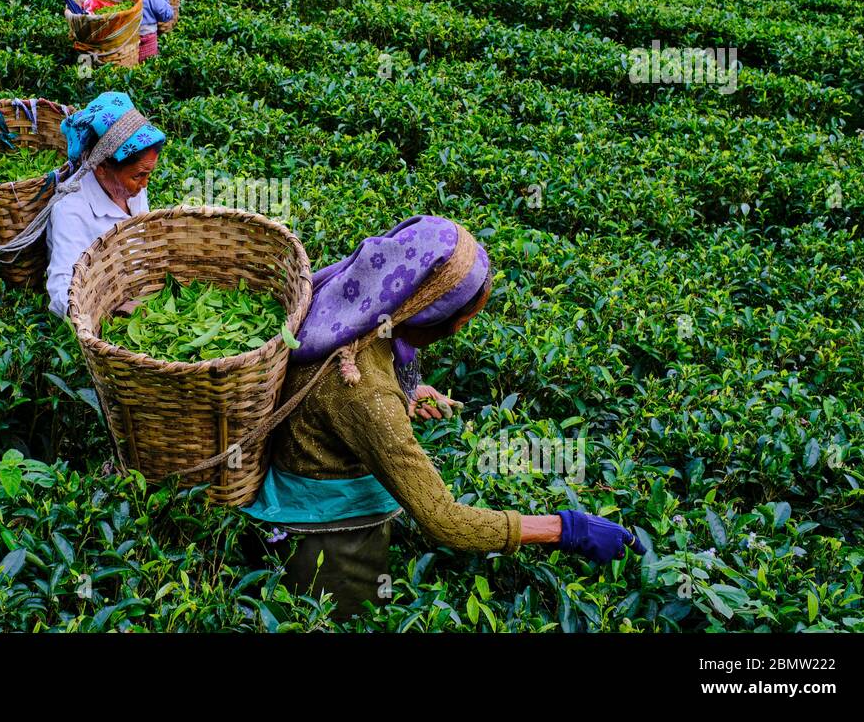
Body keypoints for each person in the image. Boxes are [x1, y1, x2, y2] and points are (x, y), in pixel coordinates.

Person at [241, 216, 644, 621]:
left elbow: (343, 404)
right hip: (325, 545)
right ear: (424, 310)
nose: (457, 333)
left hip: (303, 495)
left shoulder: (344, 306)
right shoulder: (364, 392)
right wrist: (567, 529)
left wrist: (407, 394)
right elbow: (443, 520)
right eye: (458, 324)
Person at [46, 92, 165, 318]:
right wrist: (101, 317)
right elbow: (62, 290)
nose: (145, 184)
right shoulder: (71, 210)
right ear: (101, 168)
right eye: (139, 175)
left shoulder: (134, 187)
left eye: (149, 174)